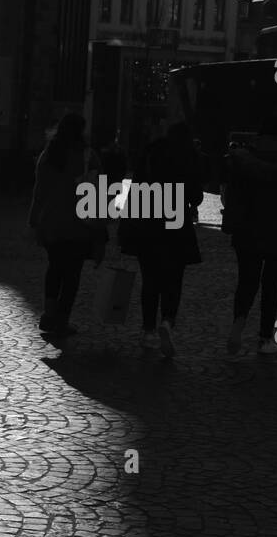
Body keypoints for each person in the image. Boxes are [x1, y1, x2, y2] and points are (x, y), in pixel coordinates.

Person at [222, 112, 277, 355]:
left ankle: (238, 323)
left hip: (248, 227)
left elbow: (232, 194)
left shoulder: (245, 156)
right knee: (272, 283)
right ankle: (265, 338)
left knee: (247, 280)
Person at [120, 122, 203, 358]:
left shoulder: (151, 151)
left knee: (150, 279)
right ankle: (167, 321)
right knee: (174, 278)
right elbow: (196, 196)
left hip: (148, 218)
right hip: (176, 221)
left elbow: (136, 187)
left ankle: (147, 330)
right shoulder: (188, 156)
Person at [28, 112, 106, 337]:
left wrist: (34, 221)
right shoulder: (88, 157)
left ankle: (48, 313)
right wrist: (100, 229)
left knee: (54, 267)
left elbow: (38, 191)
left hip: (51, 222)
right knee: (72, 274)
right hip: (78, 224)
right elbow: (98, 193)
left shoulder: (48, 155)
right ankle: (62, 318)